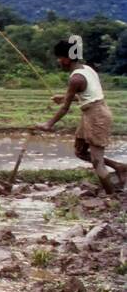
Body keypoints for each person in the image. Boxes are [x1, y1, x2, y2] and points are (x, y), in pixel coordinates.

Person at [38, 39, 126, 193]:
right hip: (92, 112)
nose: (58, 62)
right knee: (80, 152)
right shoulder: (87, 69)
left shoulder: (75, 79)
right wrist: (64, 97)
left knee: (97, 161)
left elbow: (65, 109)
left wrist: (48, 124)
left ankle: (110, 197)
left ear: (66, 59)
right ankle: (119, 167)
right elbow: (89, 96)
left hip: (97, 117)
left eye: (59, 58)